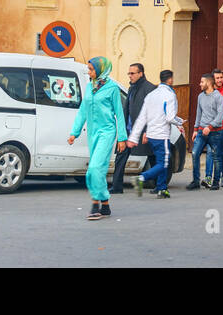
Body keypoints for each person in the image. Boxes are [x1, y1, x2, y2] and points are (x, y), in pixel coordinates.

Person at [68, 57, 129, 220]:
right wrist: (74, 132)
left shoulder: (112, 88)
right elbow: (82, 110)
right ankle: (106, 206)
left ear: (101, 70)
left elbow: (119, 114)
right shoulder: (89, 87)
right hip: (92, 133)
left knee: (94, 169)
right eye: (88, 69)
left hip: (107, 132)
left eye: (91, 69)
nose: (89, 72)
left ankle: (95, 205)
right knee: (98, 170)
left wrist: (122, 137)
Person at [128, 70, 184, 198]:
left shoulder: (151, 95)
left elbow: (142, 117)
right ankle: (141, 178)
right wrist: (180, 122)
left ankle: (161, 188)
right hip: (162, 134)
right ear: (170, 80)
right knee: (163, 163)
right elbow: (170, 117)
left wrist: (134, 136)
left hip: (151, 134)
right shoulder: (170, 95)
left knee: (160, 161)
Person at [111, 62, 154, 194]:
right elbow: (127, 109)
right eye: (129, 73)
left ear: (141, 73)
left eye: (132, 73)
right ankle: (117, 186)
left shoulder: (150, 88)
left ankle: (160, 185)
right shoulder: (131, 88)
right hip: (128, 132)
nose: (130, 76)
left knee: (153, 157)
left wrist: (148, 131)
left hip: (142, 131)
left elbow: (152, 112)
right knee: (120, 156)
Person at [187, 73, 223, 190]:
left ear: (208, 83)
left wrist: (210, 126)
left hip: (215, 132)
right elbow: (199, 113)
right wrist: (195, 129)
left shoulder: (218, 97)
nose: (200, 84)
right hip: (201, 131)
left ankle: (215, 182)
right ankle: (196, 181)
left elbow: (220, 115)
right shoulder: (200, 96)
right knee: (194, 153)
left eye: (202, 82)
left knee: (216, 157)